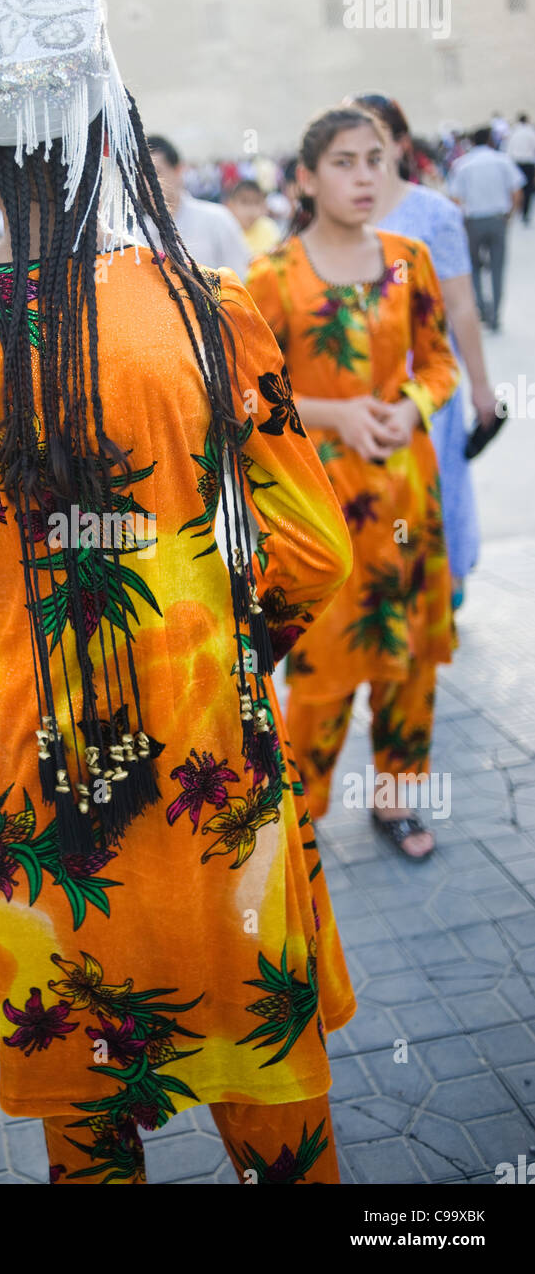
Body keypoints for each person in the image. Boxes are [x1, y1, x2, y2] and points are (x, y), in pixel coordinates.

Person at [0, 0, 357, 1185]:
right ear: (106, 124)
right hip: (215, 769)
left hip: (41, 790)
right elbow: (314, 549)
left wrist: (15, 649)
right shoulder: (209, 306)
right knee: (279, 1124)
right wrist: (221, 641)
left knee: (90, 1138)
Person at [247, 107, 460, 861]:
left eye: (375, 158)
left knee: (411, 665)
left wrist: (412, 406)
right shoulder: (271, 278)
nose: (364, 175)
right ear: (305, 178)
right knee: (323, 669)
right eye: (343, 162)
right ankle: (295, 819)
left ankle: (396, 799)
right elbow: (244, 400)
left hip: (409, 497)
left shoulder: (407, 258)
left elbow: (439, 363)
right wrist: (333, 412)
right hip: (323, 512)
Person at [347, 93, 496, 609]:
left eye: (374, 138)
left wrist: (480, 386)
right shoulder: (340, 214)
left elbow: (460, 307)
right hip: (363, 389)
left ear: (398, 143)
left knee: (440, 483)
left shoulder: (433, 213)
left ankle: (445, 585)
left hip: (429, 385)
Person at [447, 127, 524, 330]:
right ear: (491, 140)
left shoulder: (462, 164)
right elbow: (517, 191)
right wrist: (510, 215)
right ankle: (496, 314)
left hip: (473, 221)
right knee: (498, 267)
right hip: (498, 218)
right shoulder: (502, 160)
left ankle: (481, 307)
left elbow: (455, 198)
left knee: (474, 267)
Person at [146, 135, 249, 278]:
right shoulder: (138, 234)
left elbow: (241, 279)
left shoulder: (217, 220)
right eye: (140, 174)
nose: (147, 183)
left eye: (155, 173)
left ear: (178, 170)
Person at [224, 178, 281, 257]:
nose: (251, 210)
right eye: (244, 202)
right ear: (230, 205)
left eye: (256, 202)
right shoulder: (224, 229)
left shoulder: (269, 227)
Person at [505, 113, 535, 225]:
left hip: (515, 163)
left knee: (516, 188)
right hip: (528, 163)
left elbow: (508, 149)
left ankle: (517, 211)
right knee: (527, 189)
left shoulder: (513, 132)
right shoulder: (530, 131)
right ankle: (525, 213)